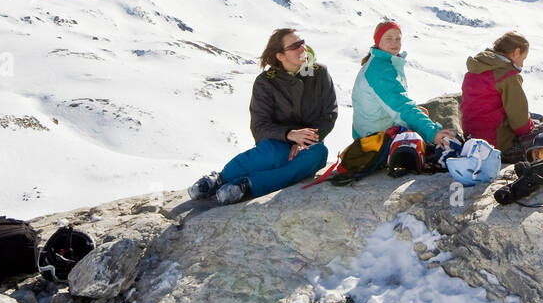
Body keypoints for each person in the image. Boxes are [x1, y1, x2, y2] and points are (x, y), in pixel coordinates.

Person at [188, 28, 335, 204]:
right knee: (275, 153)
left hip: (309, 143)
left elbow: (329, 113)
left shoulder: (319, 73)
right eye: (295, 46)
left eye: (302, 42)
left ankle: (246, 186)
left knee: (318, 154)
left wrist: (305, 139)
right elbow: (260, 125)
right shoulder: (266, 81)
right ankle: (220, 179)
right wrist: (290, 134)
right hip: (276, 141)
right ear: (280, 56)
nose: (303, 48)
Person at [351, 21, 459, 147]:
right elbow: (400, 106)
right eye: (389, 38)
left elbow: (390, 102)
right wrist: (432, 132)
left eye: (398, 39)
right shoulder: (378, 70)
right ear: (377, 41)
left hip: (372, 132)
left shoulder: (383, 63)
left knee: (423, 116)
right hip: (374, 139)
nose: (394, 42)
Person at [461, 31, 536, 161]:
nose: (522, 65)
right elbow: (521, 125)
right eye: (523, 59)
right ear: (516, 52)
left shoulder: (475, 69)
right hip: (499, 148)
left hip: (472, 144)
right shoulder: (508, 75)